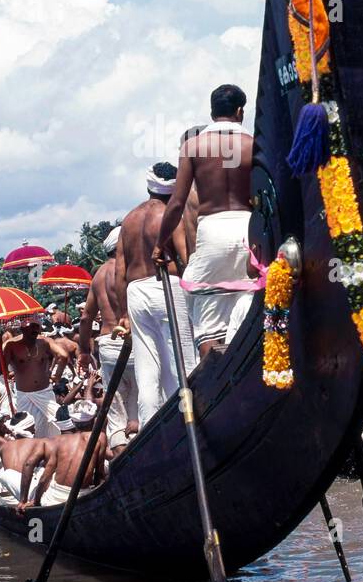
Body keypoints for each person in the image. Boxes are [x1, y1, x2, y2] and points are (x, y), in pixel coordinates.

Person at [155, 85, 255, 357]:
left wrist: (159, 244)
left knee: (207, 314)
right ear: (240, 112)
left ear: (212, 113)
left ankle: (213, 371)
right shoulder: (253, 145)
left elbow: (176, 204)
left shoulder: (193, 146)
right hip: (249, 229)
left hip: (212, 231)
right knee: (249, 298)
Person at [117, 163, 196, 428]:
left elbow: (120, 271)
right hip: (165, 286)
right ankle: (184, 428)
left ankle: (151, 430)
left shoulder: (128, 220)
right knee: (182, 364)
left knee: (147, 369)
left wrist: (124, 314)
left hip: (135, 292)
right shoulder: (170, 215)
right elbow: (185, 259)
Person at [76, 229, 137, 442]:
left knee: (116, 410)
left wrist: (83, 351)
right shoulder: (131, 268)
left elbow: (86, 318)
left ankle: (119, 446)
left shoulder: (99, 275)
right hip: (133, 342)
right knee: (141, 405)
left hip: (108, 346)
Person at [0, 321, 73, 438]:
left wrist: (57, 375)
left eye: (36, 327)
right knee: (26, 430)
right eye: (30, 327)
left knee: (54, 429)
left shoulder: (45, 341)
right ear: (23, 329)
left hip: (45, 394)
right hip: (24, 396)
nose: (34, 330)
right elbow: (0, 366)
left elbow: (63, 355)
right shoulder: (11, 345)